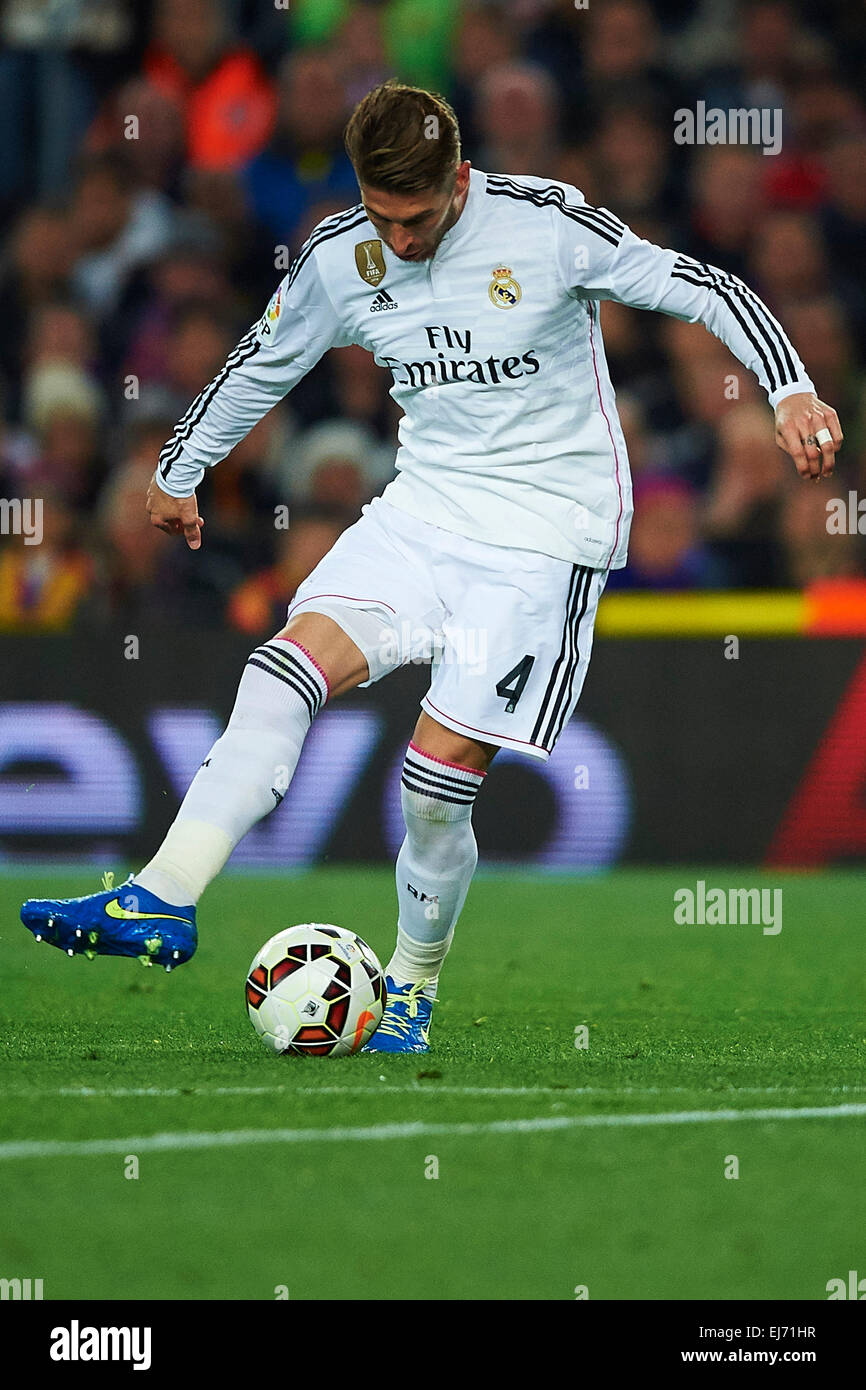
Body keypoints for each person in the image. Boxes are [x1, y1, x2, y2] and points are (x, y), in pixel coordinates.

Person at [21, 80, 843, 1054]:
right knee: (279, 669)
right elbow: (262, 358)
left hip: (544, 537)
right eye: (382, 217)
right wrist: (180, 468)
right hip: (422, 509)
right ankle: (164, 893)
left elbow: (704, 287)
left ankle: (407, 988)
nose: (400, 243)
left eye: (416, 219)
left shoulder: (544, 229)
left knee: (429, 785)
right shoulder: (341, 253)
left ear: (458, 178)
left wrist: (789, 389)